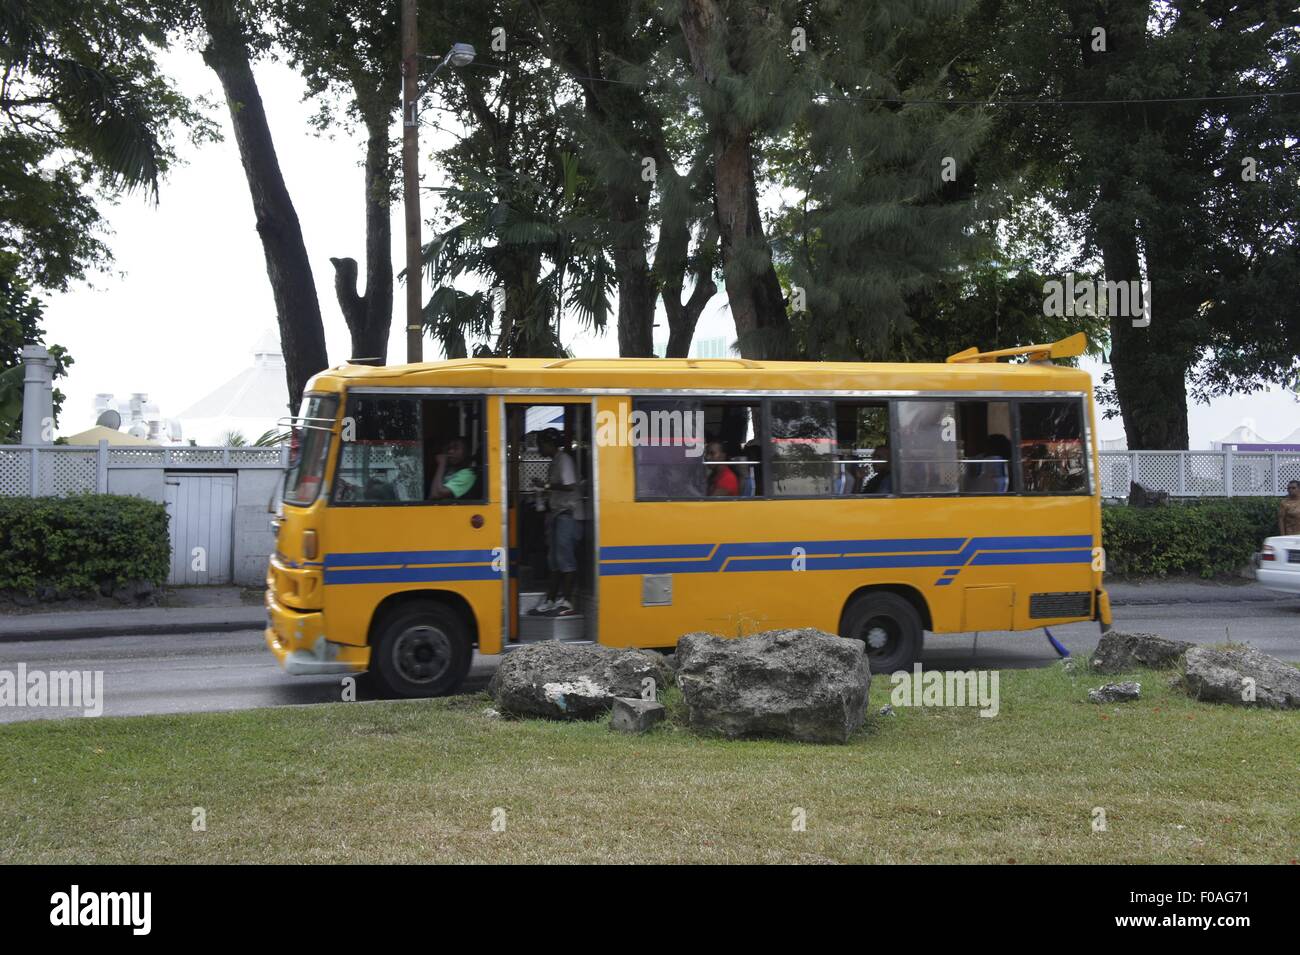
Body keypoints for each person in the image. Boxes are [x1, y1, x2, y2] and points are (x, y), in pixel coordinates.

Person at [531, 429, 582, 617]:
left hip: (567, 515)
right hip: (557, 514)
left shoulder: (564, 460)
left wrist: (545, 486)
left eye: (541, 443)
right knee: (554, 560)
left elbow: (570, 486)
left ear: (549, 444)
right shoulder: (555, 462)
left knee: (565, 559)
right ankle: (551, 600)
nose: (539, 447)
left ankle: (567, 601)